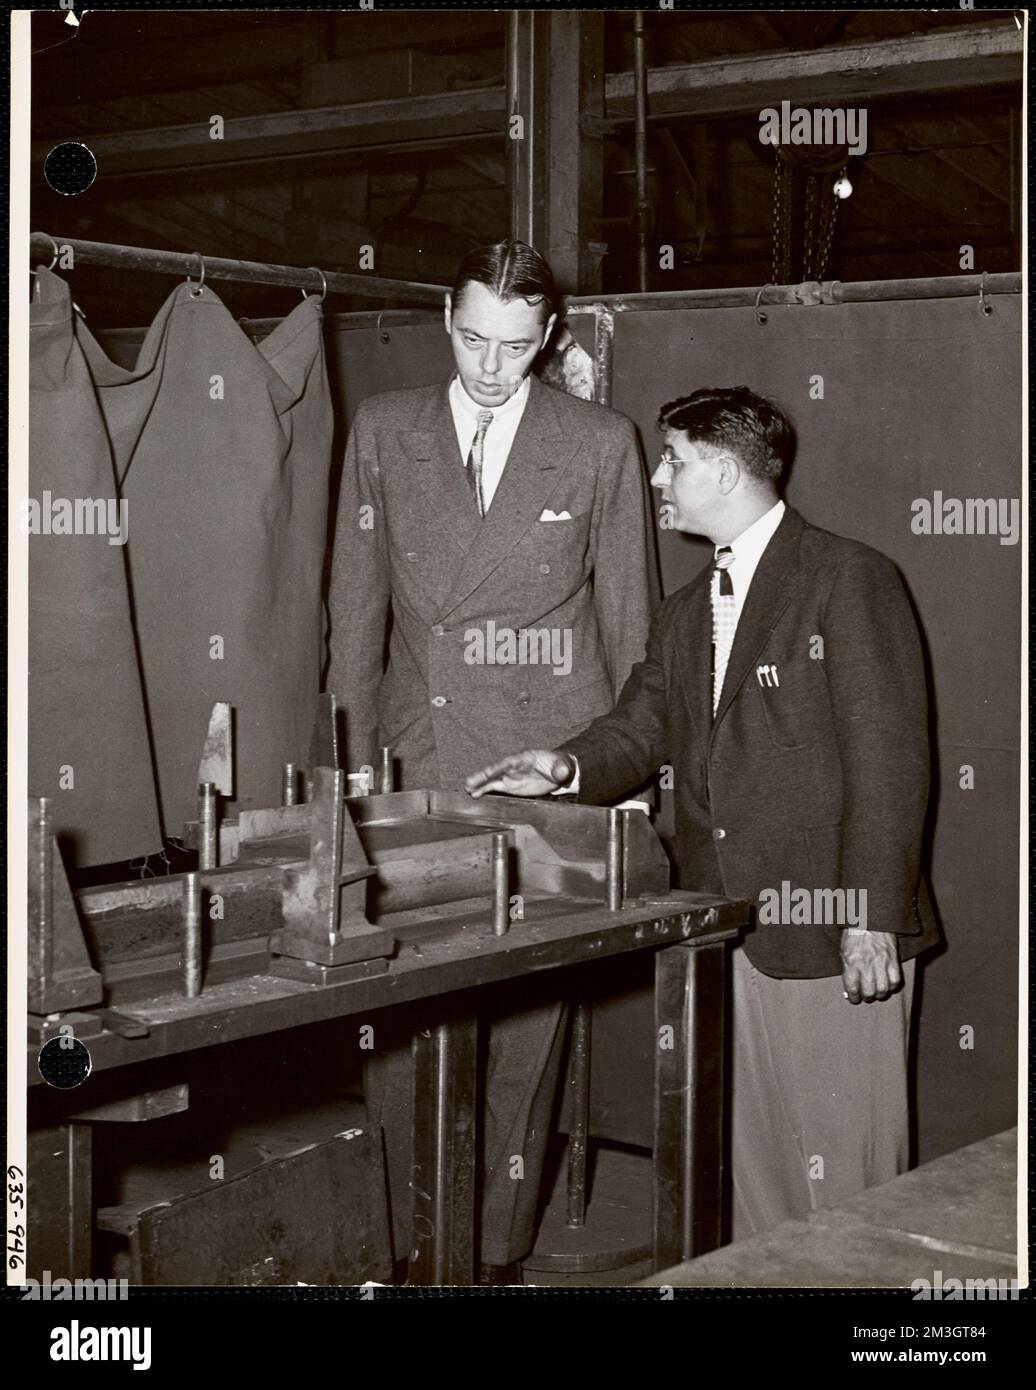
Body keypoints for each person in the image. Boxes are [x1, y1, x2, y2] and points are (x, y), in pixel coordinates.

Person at [467, 385, 940, 1241]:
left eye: (673, 461)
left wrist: (870, 914)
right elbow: (642, 725)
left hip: (834, 930)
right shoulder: (688, 611)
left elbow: (891, 760)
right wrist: (566, 765)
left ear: (722, 470)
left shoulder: (850, 578)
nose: (659, 477)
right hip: (726, 928)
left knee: (849, 1187)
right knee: (756, 1176)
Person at [327, 239, 659, 1277]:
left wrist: (627, 784)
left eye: (515, 346)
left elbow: (632, 629)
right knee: (398, 1014)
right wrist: (341, 762)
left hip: (540, 767)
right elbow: (352, 610)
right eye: (472, 337)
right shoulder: (383, 430)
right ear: (443, 315)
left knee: (521, 1030)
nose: (488, 364)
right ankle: (401, 1238)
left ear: (549, 338)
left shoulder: (602, 443)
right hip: (414, 758)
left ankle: (493, 1254)